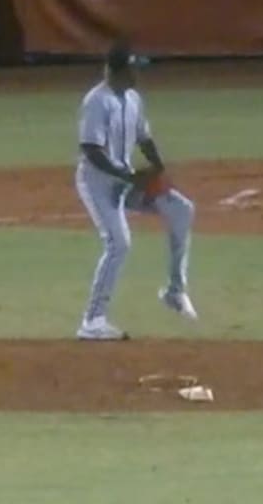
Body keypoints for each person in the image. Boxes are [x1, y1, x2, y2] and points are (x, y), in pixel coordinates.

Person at [73, 41, 198, 340]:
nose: (138, 75)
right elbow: (92, 151)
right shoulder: (97, 101)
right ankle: (92, 321)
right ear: (118, 70)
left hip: (125, 180)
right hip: (98, 183)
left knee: (182, 210)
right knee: (119, 243)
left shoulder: (132, 98)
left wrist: (159, 169)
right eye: (133, 69)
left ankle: (174, 291)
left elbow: (144, 138)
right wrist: (130, 176)